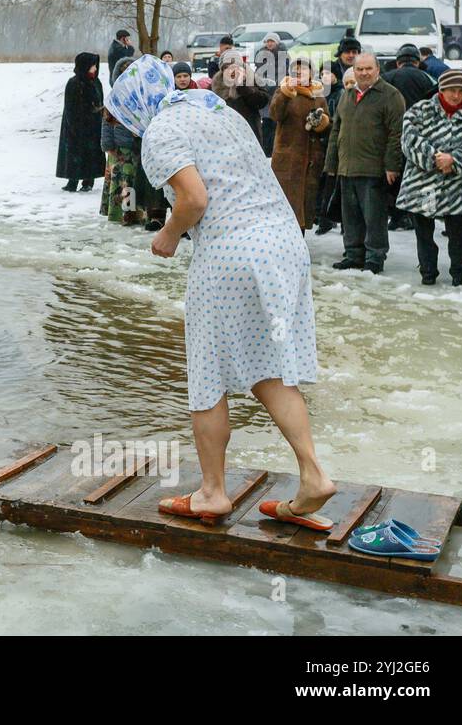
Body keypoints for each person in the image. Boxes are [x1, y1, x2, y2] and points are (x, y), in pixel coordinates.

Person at [105, 55, 336, 530]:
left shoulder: (161, 132)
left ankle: (212, 492)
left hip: (232, 252)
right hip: (283, 242)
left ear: (134, 106)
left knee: (207, 372)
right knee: (269, 367)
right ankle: (313, 473)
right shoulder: (214, 109)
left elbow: (194, 199)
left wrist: (167, 235)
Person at [323, 53, 406, 274]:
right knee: (350, 217)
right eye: (359, 69)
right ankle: (353, 254)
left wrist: (392, 165)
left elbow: (396, 134)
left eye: (369, 68)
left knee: (374, 217)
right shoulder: (347, 95)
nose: (364, 73)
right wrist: (331, 162)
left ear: (377, 70)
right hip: (347, 166)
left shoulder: (390, 96)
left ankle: (374, 257)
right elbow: (336, 131)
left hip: (374, 168)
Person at [396, 69, 462, 285]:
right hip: (425, 186)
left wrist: (455, 160)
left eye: (461, 91)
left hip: (453, 185)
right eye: (452, 90)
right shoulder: (421, 110)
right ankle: (428, 272)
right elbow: (409, 139)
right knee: (424, 230)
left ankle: (459, 275)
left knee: (457, 232)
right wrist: (434, 158)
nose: (456, 95)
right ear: (442, 89)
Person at [269, 57, 331, 230]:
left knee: (304, 205)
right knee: (287, 207)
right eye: (295, 70)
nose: (299, 73)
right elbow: (275, 114)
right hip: (288, 159)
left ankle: (300, 244)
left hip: (310, 160)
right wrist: (286, 93)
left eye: (303, 70)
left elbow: (327, 124)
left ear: (311, 73)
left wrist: (321, 122)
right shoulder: (284, 91)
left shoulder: (318, 95)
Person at [383, 44, 438, 231]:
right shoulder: (428, 79)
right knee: (414, 177)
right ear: (417, 62)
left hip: (390, 135)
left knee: (393, 177)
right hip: (419, 138)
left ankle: (396, 215)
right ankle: (414, 216)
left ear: (398, 62)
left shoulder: (386, 78)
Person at [314, 38, 362, 235]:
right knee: (327, 181)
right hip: (330, 134)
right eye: (347, 52)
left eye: (354, 51)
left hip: (353, 141)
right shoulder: (330, 68)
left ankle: (345, 223)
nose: (351, 55)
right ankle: (325, 217)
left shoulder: (363, 68)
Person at [100, 56, 143, 224]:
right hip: (118, 148)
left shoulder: (141, 94)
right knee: (121, 182)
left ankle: (132, 213)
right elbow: (106, 121)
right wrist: (108, 144)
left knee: (132, 182)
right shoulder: (114, 96)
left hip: (136, 146)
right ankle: (122, 214)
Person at [57, 52, 107, 192]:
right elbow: (70, 107)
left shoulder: (96, 83)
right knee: (75, 155)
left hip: (93, 126)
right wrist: (76, 124)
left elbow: (100, 101)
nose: (95, 69)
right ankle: (72, 181)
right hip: (77, 126)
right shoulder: (74, 83)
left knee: (91, 154)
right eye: (92, 66)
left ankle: (88, 182)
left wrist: (98, 112)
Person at [210, 50, 270, 149]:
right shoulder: (216, 85)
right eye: (227, 67)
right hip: (225, 136)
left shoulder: (253, 79)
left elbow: (261, 102)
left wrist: (242, 86)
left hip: (250, 134)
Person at [254, 33, 289, 156]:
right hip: (266, 92)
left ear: (277, 43)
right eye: (267, 41)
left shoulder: (283, 55)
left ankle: (276, 149)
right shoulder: (261, 56)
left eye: (272, 41)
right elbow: (258, 73)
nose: (269, 43)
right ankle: (266, 150)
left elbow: (285, 73)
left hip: (278, 91)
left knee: (277, 122)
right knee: (267, 122)